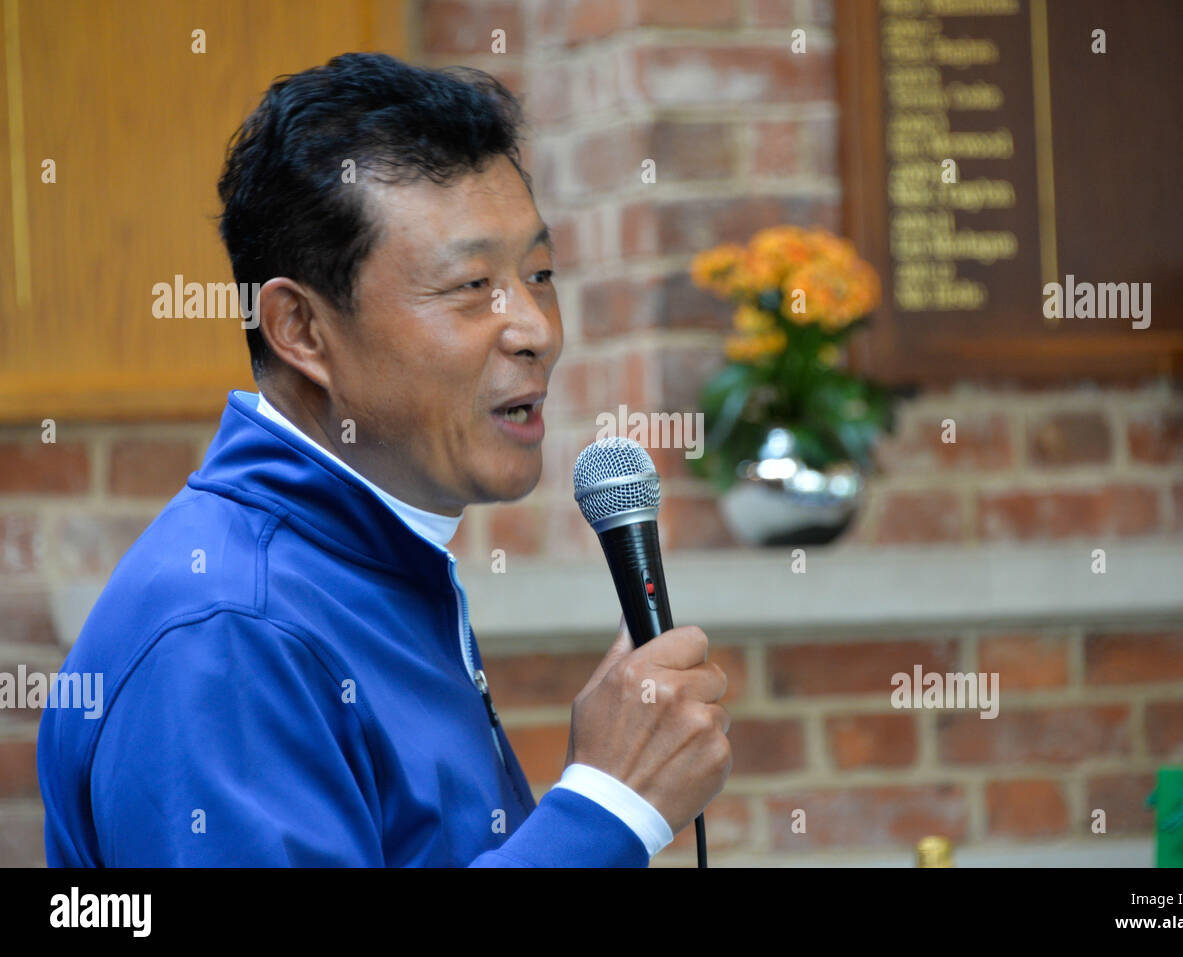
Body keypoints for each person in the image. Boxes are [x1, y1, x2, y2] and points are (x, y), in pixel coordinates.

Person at [37, 53, 731, 867]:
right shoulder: (229, 633)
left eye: (539, 274)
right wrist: (603, 809)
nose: (536, 328)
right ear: (300, 330)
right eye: (471, 285)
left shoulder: (371, 558)